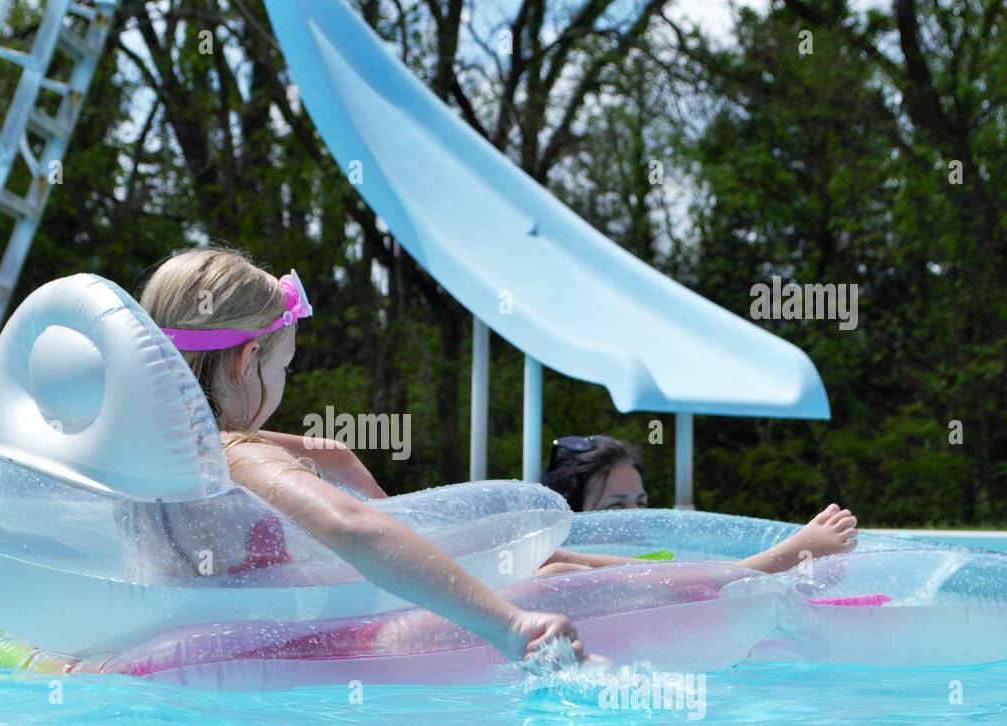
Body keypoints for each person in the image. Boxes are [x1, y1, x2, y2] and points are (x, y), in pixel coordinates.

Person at [139, 248, 579, 663]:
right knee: (547, 580)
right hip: (307, 662)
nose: (285, 379)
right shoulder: (240, 455)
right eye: (284, 367)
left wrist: (342, 460)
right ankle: (645, 576)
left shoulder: (152, 453)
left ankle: (642, 566)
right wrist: (513, 626)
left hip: (208, 658)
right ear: (247, 359)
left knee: (544, 565)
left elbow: (320, 455)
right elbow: (352, 527)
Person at [538, 434, 859, 575]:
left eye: (642, 502)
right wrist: (792, 552)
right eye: (616, 508)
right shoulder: (554, 568)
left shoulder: (661, 558)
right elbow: (712, 583)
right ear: (573, 518)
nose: (636, 517)